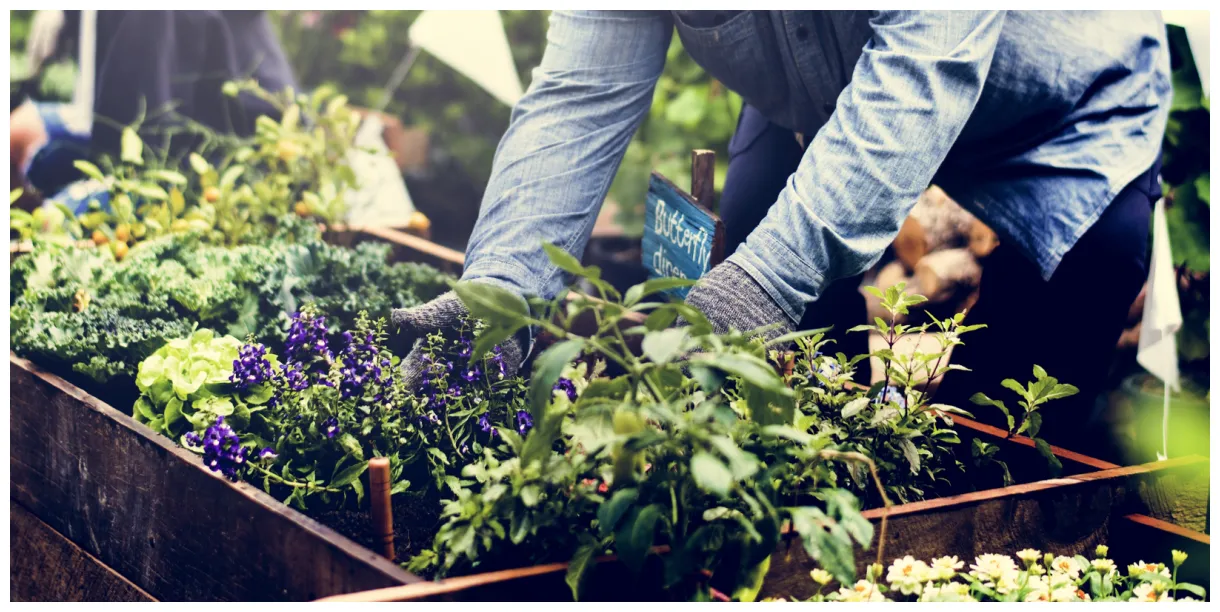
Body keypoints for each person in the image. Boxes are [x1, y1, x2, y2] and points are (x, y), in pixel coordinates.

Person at [391, 11, 1171, 452]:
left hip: (1058, 117)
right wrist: (502, 289)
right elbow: (579, 94)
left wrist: (755, 290)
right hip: (822, 90)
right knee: (779, 397)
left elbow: (917, 79)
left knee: (1000, 444)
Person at [11, 10, 297, 209]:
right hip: (118, 126)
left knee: (49, 225)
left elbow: (149, 146)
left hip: (223, 155)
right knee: (18, 130)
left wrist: (82, 195)